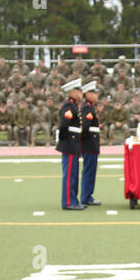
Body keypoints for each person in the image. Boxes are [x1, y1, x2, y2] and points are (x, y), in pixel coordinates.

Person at [56, 77, 85, 210]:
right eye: (78, 90)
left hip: (73, 144)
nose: (81, 93)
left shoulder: (74, 106)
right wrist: (64, 141)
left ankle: (73, 199)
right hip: (69, 144)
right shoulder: (69, 107)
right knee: (69, 175)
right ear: (72, 92)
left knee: (73, 174)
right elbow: (64, 126)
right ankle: (68, 202)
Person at [79, 81, 101, 205]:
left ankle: (88, 195)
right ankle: (86, 197)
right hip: (89, 144)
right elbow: (86, 128)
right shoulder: (87, 108)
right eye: (94, 93)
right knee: (89, 171)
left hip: (91, 144)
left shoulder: (90, 107)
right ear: (88, 94)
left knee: (91, 171)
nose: (97, 95)